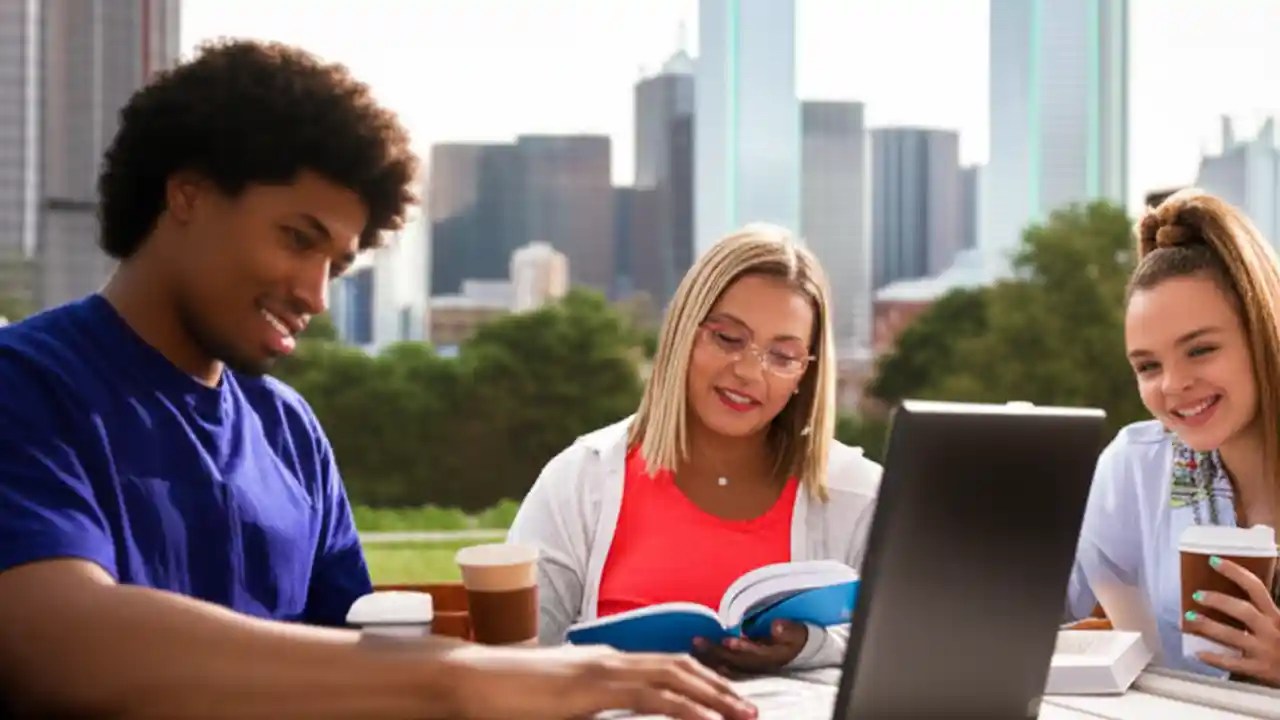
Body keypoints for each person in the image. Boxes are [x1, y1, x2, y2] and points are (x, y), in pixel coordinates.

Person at [0, 39, 757, 720]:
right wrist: (461, 676)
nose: (315, 294)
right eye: (297, 239)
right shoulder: (26, 387)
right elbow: (54, 643)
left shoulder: (286, 429)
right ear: (187, 194)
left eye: (336, 264)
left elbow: (361, 668)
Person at [508, 225, 883, 674]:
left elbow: (913, 650)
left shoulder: (860, 495)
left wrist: (809, 646)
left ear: (805, 373)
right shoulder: (578, 480)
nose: (747, 370)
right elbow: (514, 663)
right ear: (685, 331)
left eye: (782, 356)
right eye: (728, 338)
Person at [1067, 189, 1280, 688]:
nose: (1173, 385)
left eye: (1201, 349)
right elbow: (1047, 610)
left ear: (1263, 332)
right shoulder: (1137, 467)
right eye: (1148, 366)